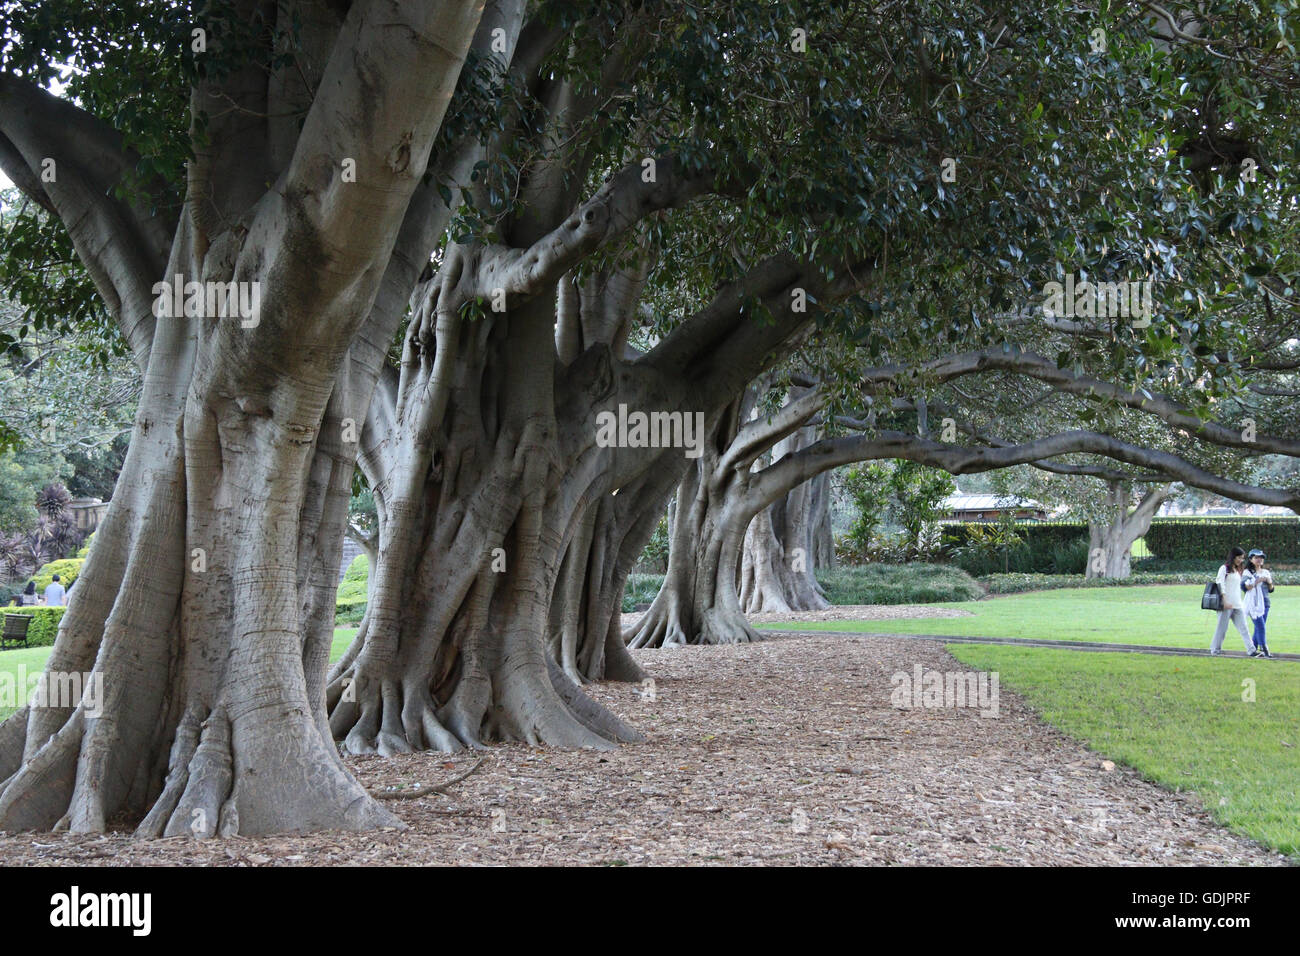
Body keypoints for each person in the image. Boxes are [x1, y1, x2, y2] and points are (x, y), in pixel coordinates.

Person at [1211, 547, 1253, 655]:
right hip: (1226, 605)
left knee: (1244, 628)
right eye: (1239, 557)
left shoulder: (1238, 570)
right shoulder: (1224, 569)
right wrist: (1225, 601)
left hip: (1237, 605)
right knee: (1222, 629)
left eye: (1242, 558)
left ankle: (1251, 650)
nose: (1240, 560)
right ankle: (1215, 650)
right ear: (1233, 557)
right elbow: (1221, 585)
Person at [1243, 549, 1274, 658]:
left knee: (1259, 627)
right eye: (1256, 557)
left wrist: (1269, 582)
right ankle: (1265, 650)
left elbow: (1271, 589)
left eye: (1261, 557)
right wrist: (1258, 580)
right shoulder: (1247, 572)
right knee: (1261, 627)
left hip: (1265, 603)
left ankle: (1253, 650)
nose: (1259, 559)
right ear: (1251, 559)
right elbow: (1245, 587)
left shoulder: (1266, 572)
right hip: (1253, 604)